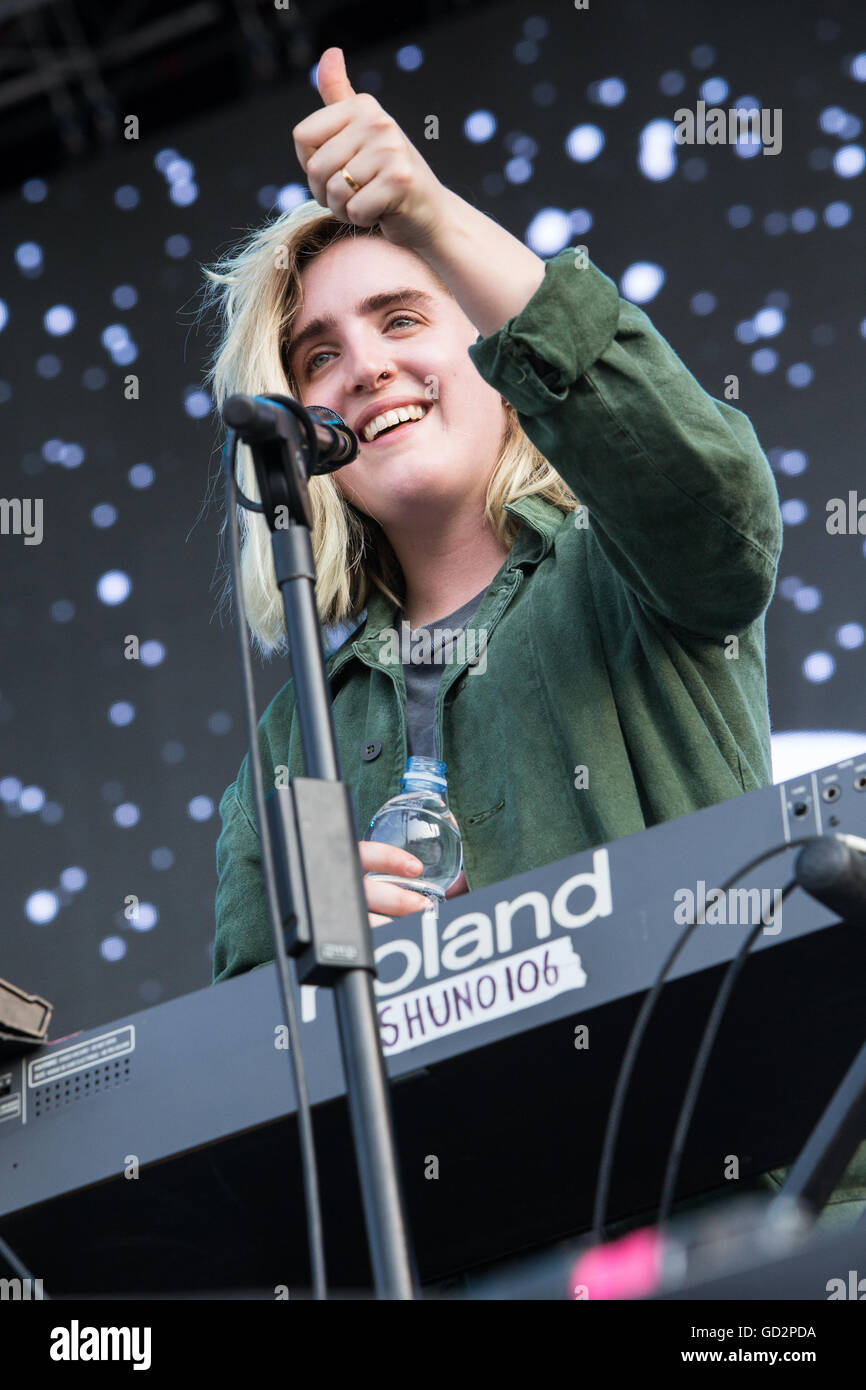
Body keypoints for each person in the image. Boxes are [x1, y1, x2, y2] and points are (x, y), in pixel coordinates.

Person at [203, 47, 866, 1238]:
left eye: (404, 317)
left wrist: (424, 209)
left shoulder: (629, 571)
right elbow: (256, 1119)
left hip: (733, 1232)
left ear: (502, 361)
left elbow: (713, 498)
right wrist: (313, 975)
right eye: (317, 357)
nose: (366, 370)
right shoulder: (291, 747)